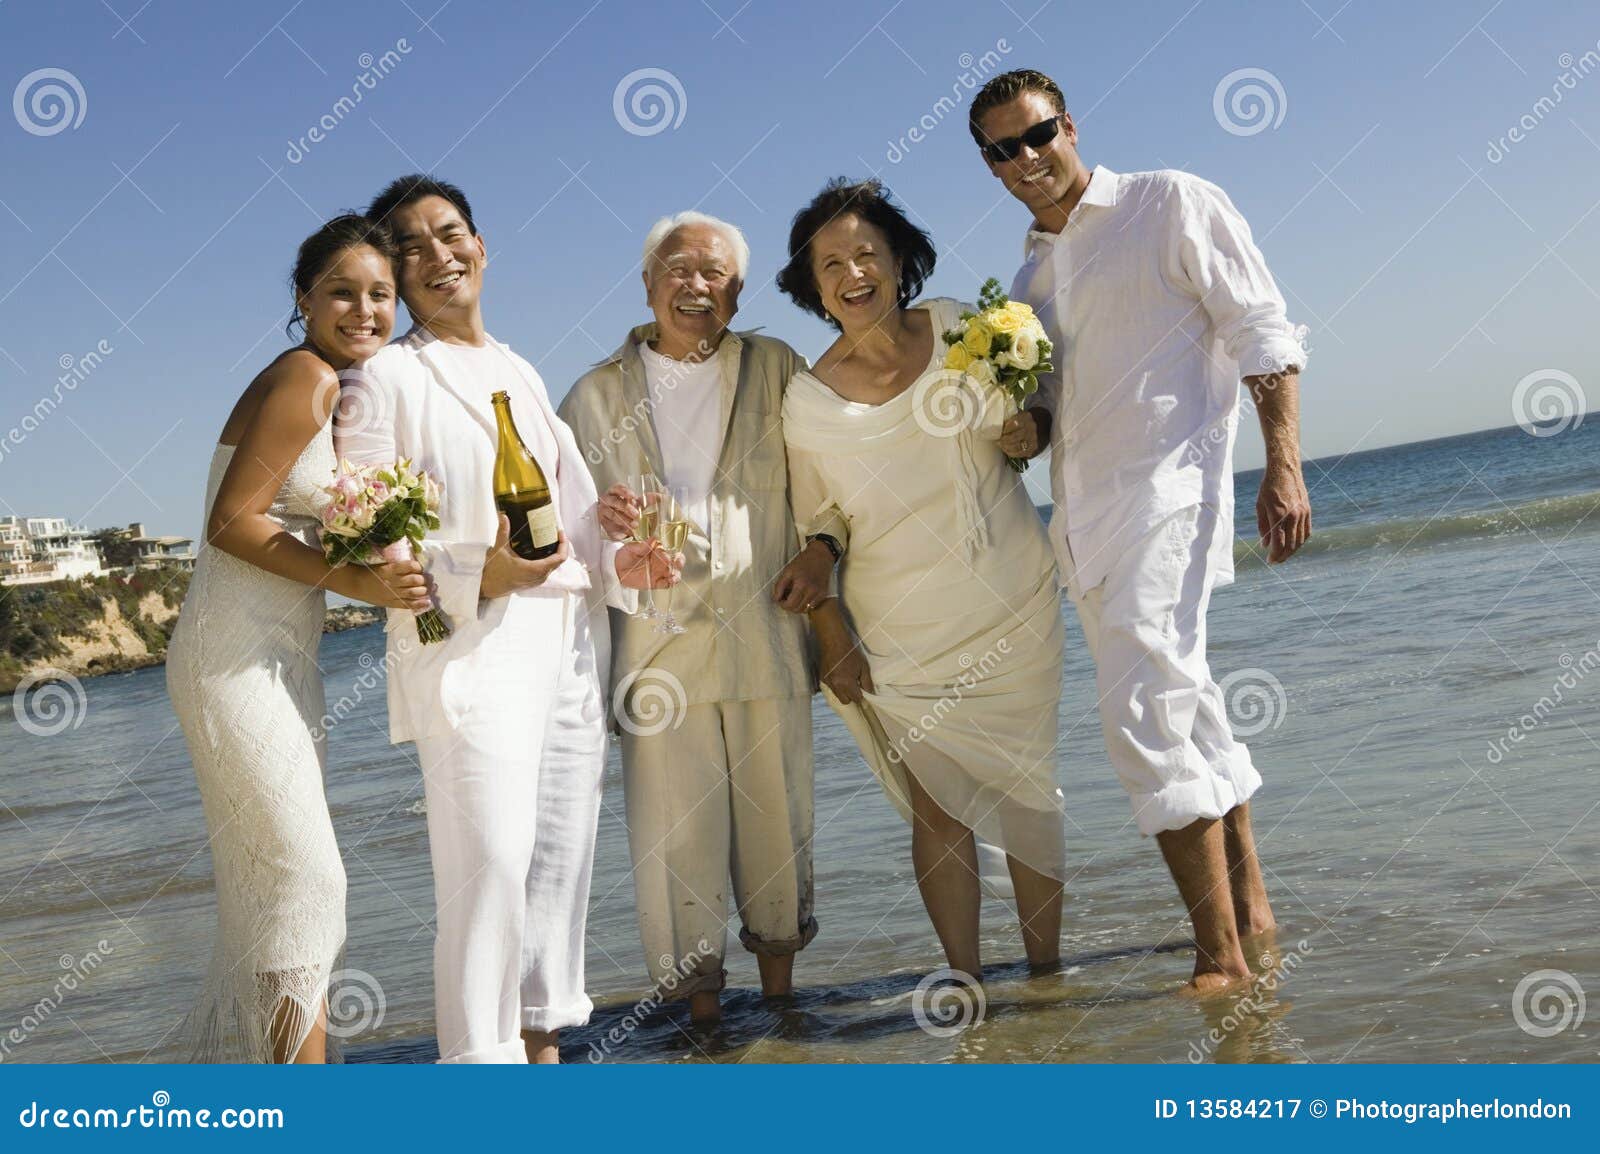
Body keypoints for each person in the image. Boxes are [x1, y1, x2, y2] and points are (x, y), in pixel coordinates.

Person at [970, 68, 1311, 991]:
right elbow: (1041, 411)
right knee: (1186, 701)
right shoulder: (1026, 280)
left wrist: (1283, 464)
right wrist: (1018, 426)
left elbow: (1260, 328)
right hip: (1080, 523)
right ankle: (1255, 919)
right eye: (1002, 150)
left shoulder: (1169, 203)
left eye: (1037, 135)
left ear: (1069, 125)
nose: (1026, 159)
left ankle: (1221, 960)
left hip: (1172, 496)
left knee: (1141, 713)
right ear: (991, 167)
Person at [336, 175, 676, 1063]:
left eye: (450, 234)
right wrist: (468, 570)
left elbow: (562, 531)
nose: (436, 254)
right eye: (409, 246)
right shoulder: (385, 378)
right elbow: (370, 529)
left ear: (482, 247)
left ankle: (543, 1063)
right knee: (486, 873)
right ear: (397, 274)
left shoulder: (521, 368)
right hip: (472, 649)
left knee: (555, 874)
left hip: (567, 649)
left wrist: (618, 557)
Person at [776, 178, 1066, 981]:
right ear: (812, 286)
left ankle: (1047, 979)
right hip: (902, 626)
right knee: (938, 806)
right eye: (830, 263)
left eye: (867, 252)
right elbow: (818, 524)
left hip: (1012, 598)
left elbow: (1030, 412)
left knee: (1027, 788)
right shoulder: (806, 401)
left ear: (901, 260)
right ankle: (967, 986)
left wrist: (1029, 427)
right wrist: (830, 634)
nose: (852, 272)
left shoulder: (958, 326)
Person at [168, 214, 432, 1063]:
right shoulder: (306, 378)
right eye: (342, 292)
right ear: (303, 298)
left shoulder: (328, 383)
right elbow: (230, 524)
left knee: (268, 886)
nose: (364, 310)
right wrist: (361, 582)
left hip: (284, 661)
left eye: (381, 295)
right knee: (307, 880)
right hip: (233, 663)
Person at [560, 212, 834, 1025]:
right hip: (654, 651)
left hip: (765, 635)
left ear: (739, 291)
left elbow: (827, 473)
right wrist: (602, 530)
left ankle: (784, 1011)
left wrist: (822, 547)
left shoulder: (778, 366)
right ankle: (703, 1019)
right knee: (674, 841)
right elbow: (564, 539)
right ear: (647, 284)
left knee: (778, 817)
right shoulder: (592, 394)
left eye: (715, 274)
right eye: (678, 270)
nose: (695, 285)